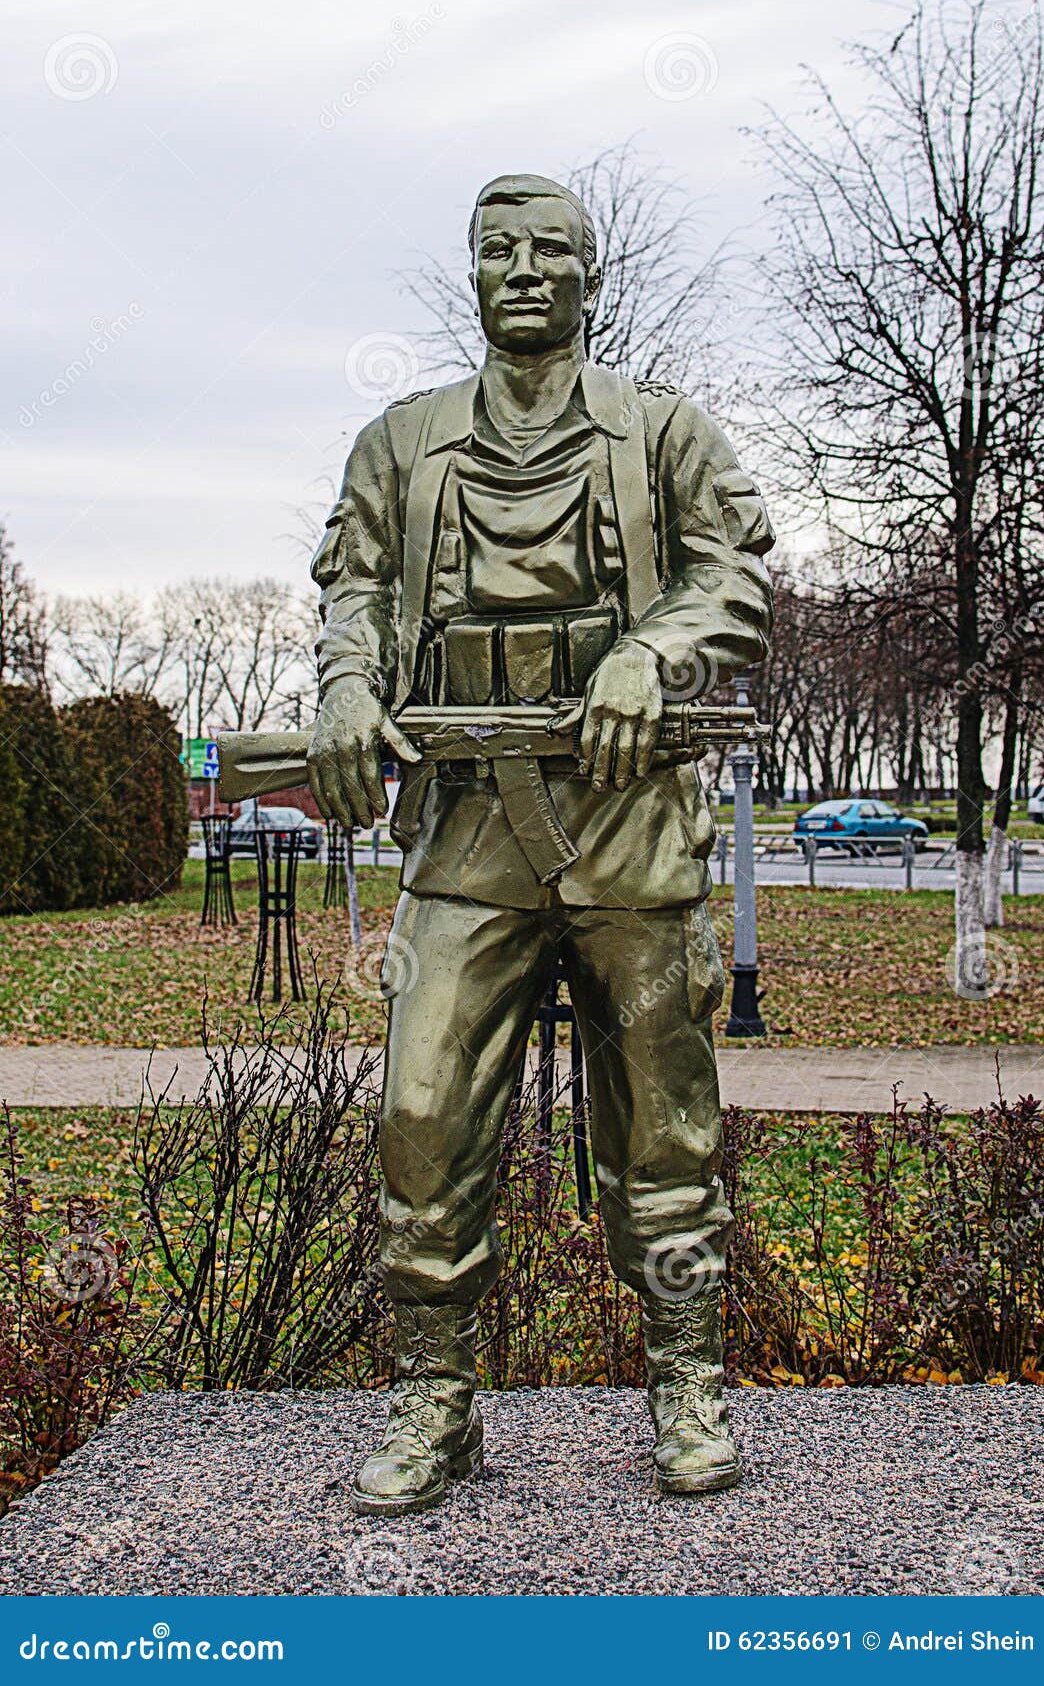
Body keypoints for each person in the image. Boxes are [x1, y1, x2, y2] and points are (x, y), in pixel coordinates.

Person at [306, 174, 775, 1514]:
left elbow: (732, 574)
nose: (523, 268)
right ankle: (435, 1389)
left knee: (666, 1113)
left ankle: (687, 1374)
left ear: (590, 275)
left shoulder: (662, 433)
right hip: (465, 824)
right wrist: (347, 692)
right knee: (420, 1100)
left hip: (627, 818)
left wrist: (654, 649)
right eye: (498, 249)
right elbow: (350, 590)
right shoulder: (399, 445)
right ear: (469, 274)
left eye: (550, 250)